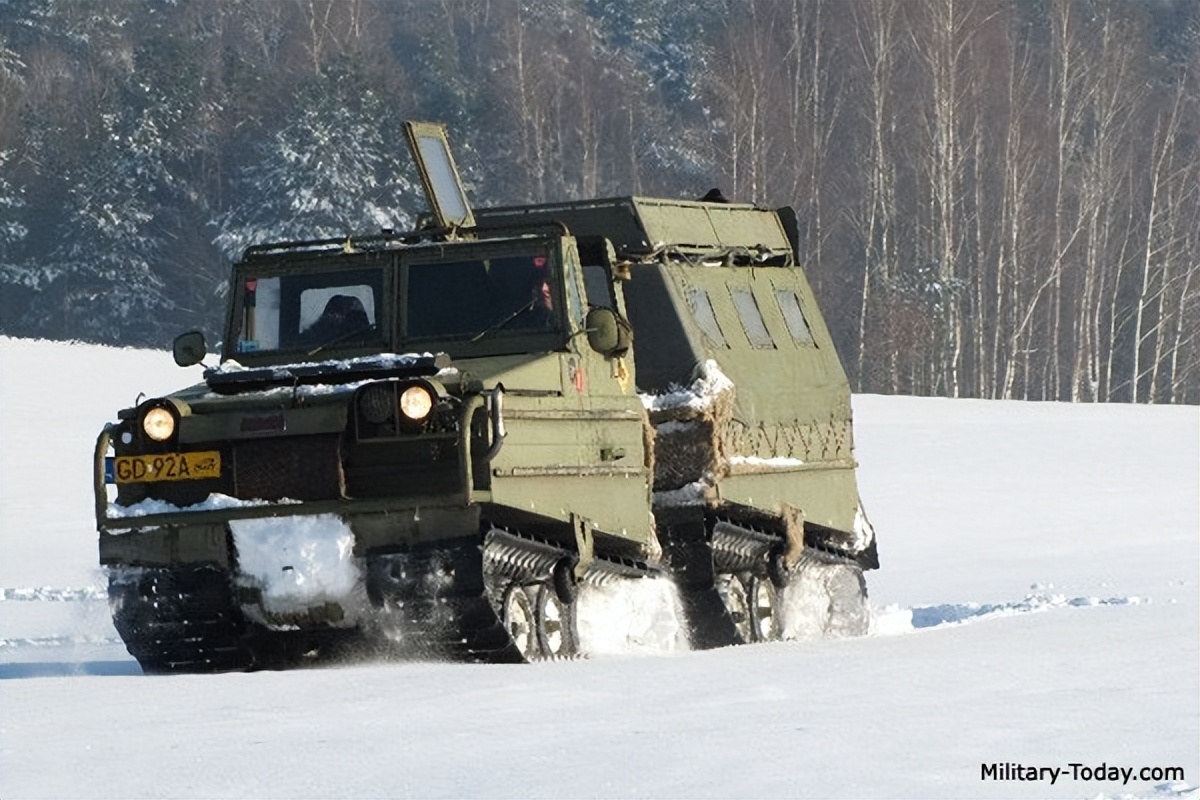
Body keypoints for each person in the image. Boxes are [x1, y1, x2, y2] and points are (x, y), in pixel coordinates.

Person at [302, 294, 371, 346]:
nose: (335, 316)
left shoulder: (371, 341)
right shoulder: (310, 341)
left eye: (340, 313)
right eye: (332, 313)